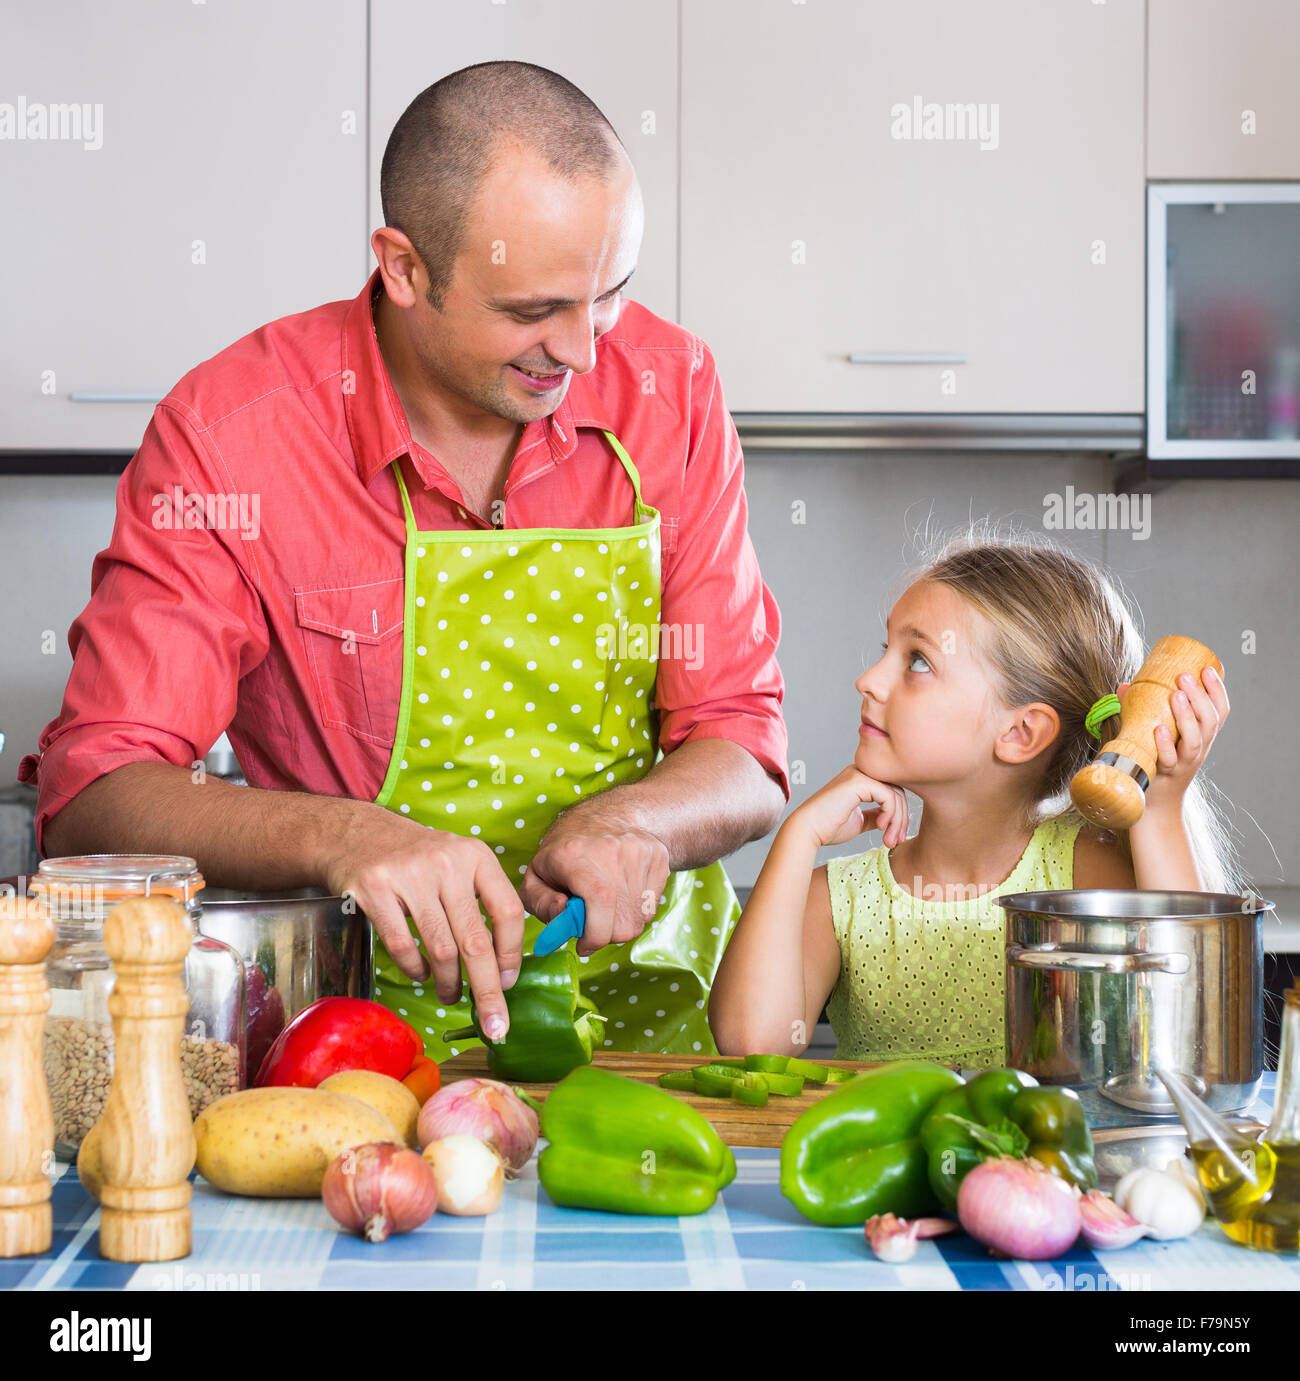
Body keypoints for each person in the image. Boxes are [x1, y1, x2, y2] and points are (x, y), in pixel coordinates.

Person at [20, 61, 788, 1057]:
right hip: (353, 1047)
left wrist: (635, 824)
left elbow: (743, 746)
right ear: (403, 266)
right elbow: (93, 794)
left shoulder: (670, 389)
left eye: (608, 297)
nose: (585, 351)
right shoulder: (231, 436)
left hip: (648, 1044)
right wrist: (347, 837)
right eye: (531, 312)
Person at [709, 531, 1240, 1065]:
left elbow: (1192, 1033)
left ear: (1019, 733)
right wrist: (798, 836)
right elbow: (752, 1043)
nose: (867, 680)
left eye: (917, 661)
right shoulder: (839, 900)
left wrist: (1160, 809)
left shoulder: (1084, 877)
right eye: (885, 650)